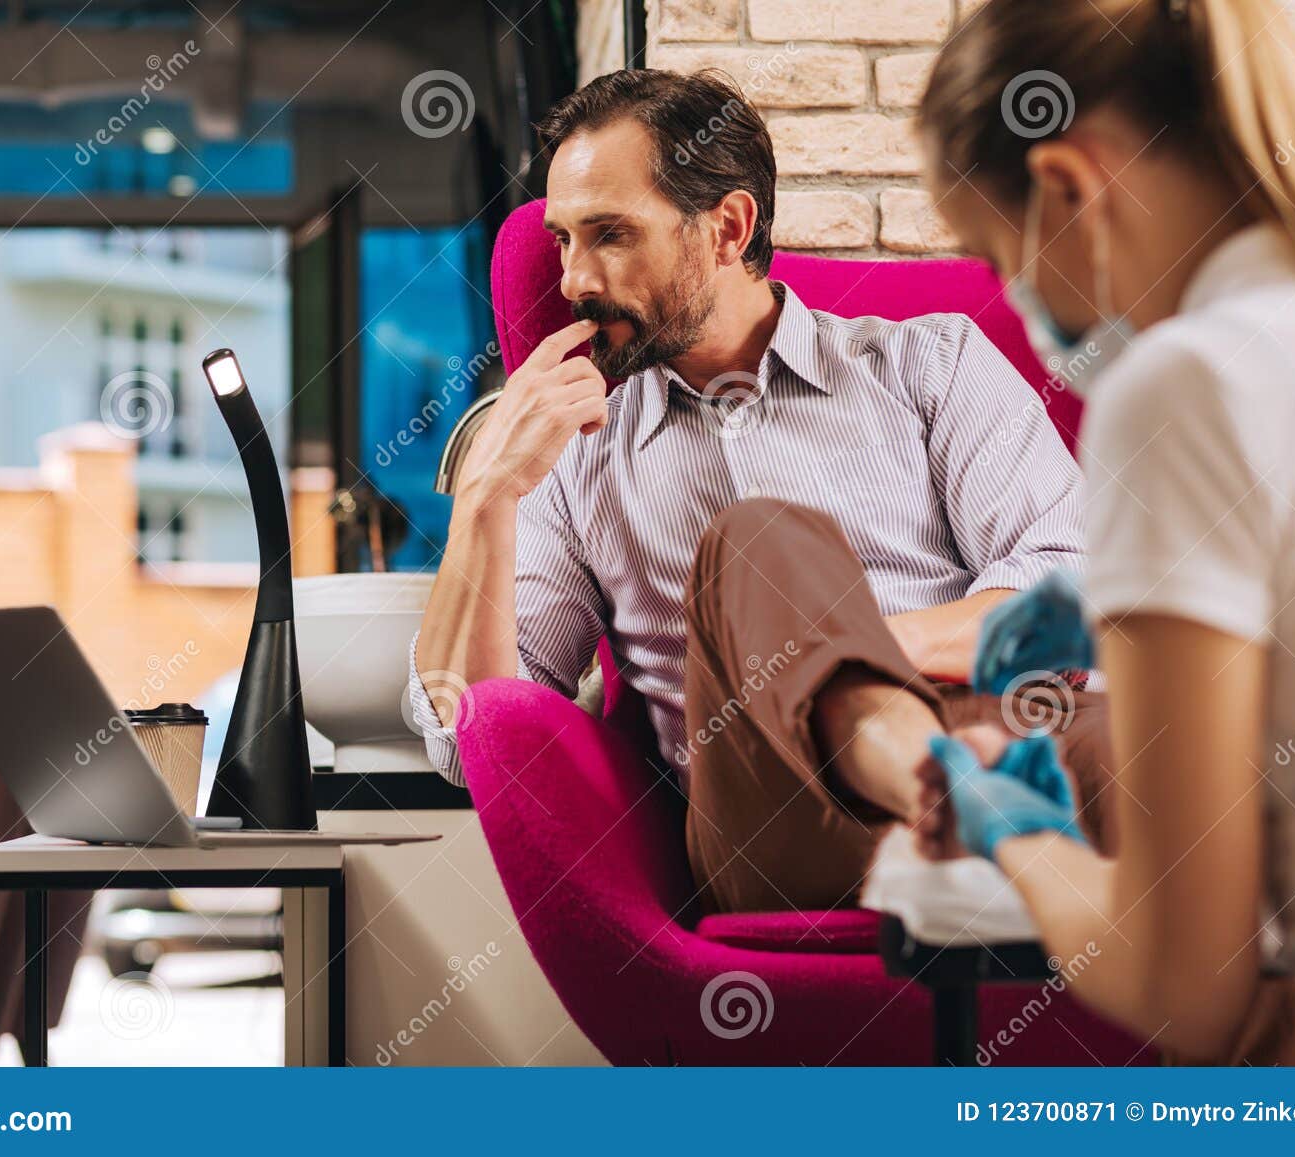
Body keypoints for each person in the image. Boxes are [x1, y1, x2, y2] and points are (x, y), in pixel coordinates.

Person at [408, 67, 1116, 916]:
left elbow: (1072, 585)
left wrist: (815, 650)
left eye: (610, 235)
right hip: (782, 824)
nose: (572, 282)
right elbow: (470, 731)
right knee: (758, 545)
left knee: (1212, 743)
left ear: (728, 229)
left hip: (1003, 746)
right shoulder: (579, 455)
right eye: (562, 238)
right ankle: (952, 803)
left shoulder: (932, 364)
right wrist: (486, 494)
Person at [911, 0, 1295, 1064]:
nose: (1016, 299)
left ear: (1064, 187)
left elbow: (1181, 985)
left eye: (992, 253)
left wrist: (1022, 837)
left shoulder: (1181, 385)